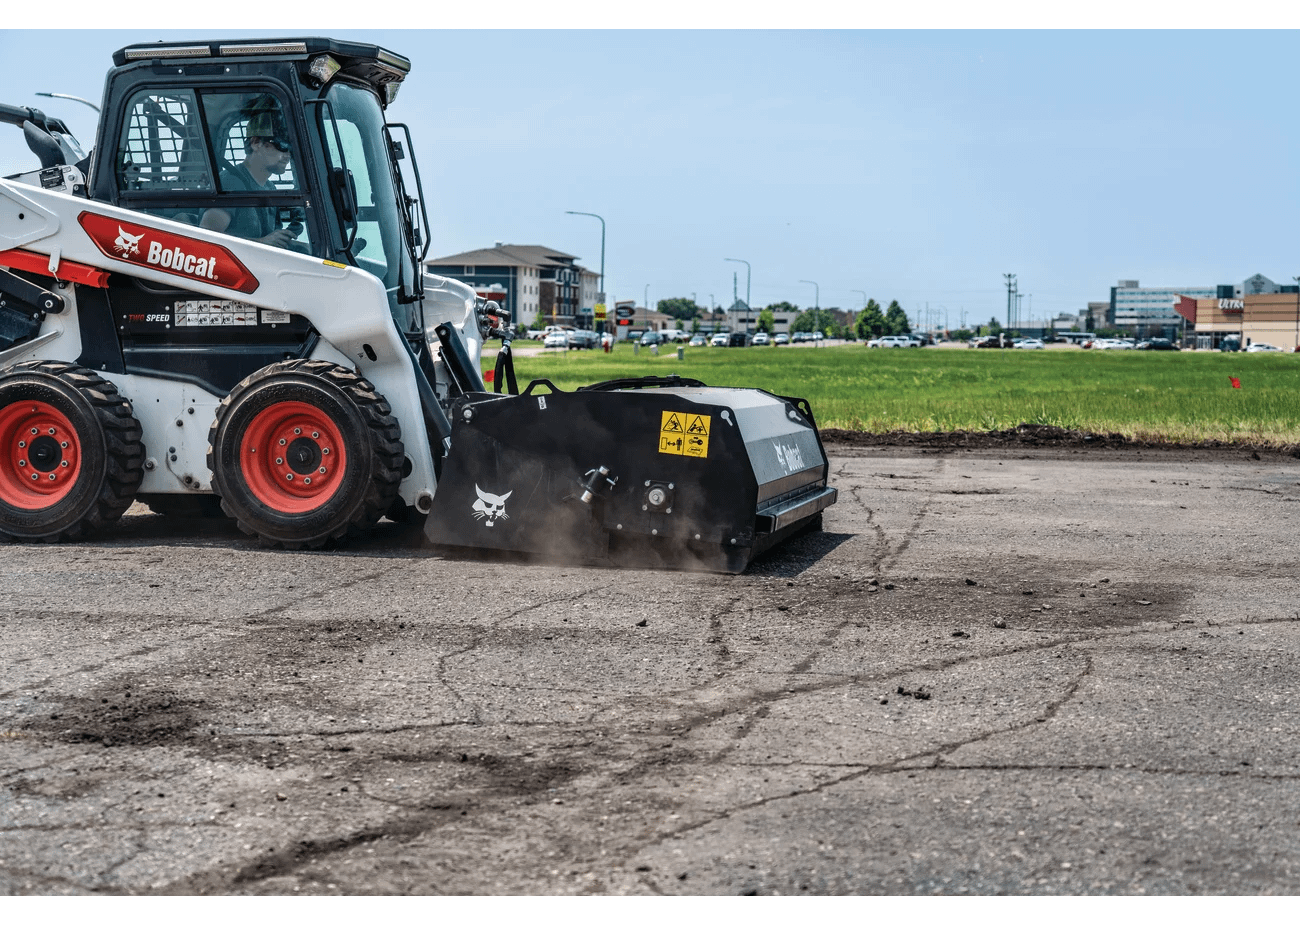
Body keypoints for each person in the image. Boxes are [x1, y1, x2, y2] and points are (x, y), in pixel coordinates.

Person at [200, 104, 298, 248]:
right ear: (256, 143)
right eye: (282, 146)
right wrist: (262, 242)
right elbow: (207, 238)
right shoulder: (230, 183)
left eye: (291, 148)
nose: (287, 155)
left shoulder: (270, 188)